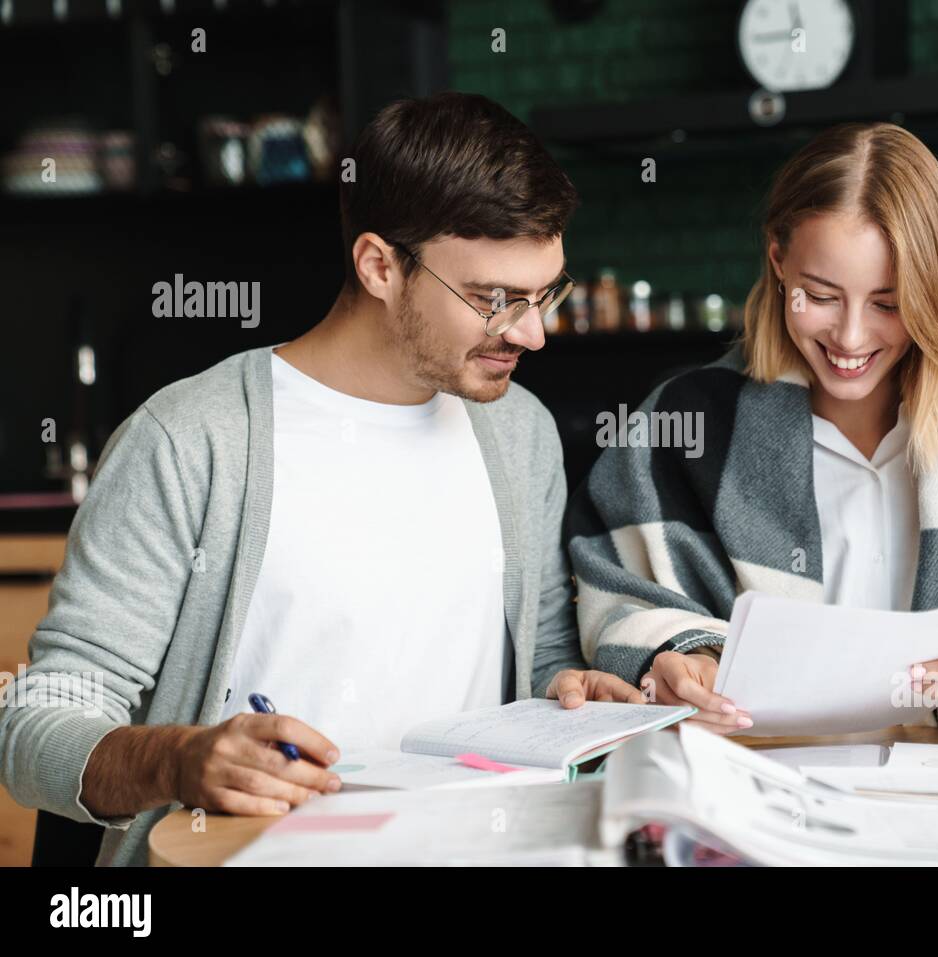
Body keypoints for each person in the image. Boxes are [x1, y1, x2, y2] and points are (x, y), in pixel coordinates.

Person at [0, 92, 640, 867]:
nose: (533, 332)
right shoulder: (192, 439)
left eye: (547, 293)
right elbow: (38, 721)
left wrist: (574, 692)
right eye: (495, 300)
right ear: (379, 265)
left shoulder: (519, 431)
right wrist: (177, 759)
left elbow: (540, 660)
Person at [565, 122, 938, 735]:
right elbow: (617, 596)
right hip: (755, 796)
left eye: (889, 304)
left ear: (936, 292)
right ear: (778, 260)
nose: (850, 337)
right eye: (820, 295)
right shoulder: (680, 427)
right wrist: (687, 657)